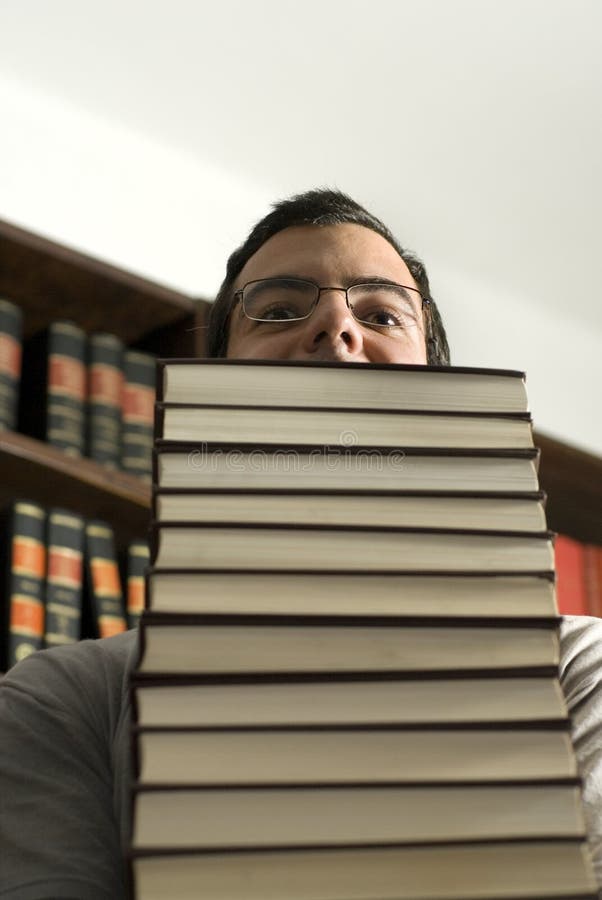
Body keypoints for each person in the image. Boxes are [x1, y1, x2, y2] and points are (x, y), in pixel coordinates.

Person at [1, 188, 602, 900]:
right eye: (280, 311)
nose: (336, 327)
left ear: (444, 393)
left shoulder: (580, 670)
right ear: (211, 385)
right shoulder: (66, 698)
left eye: (381, 314)